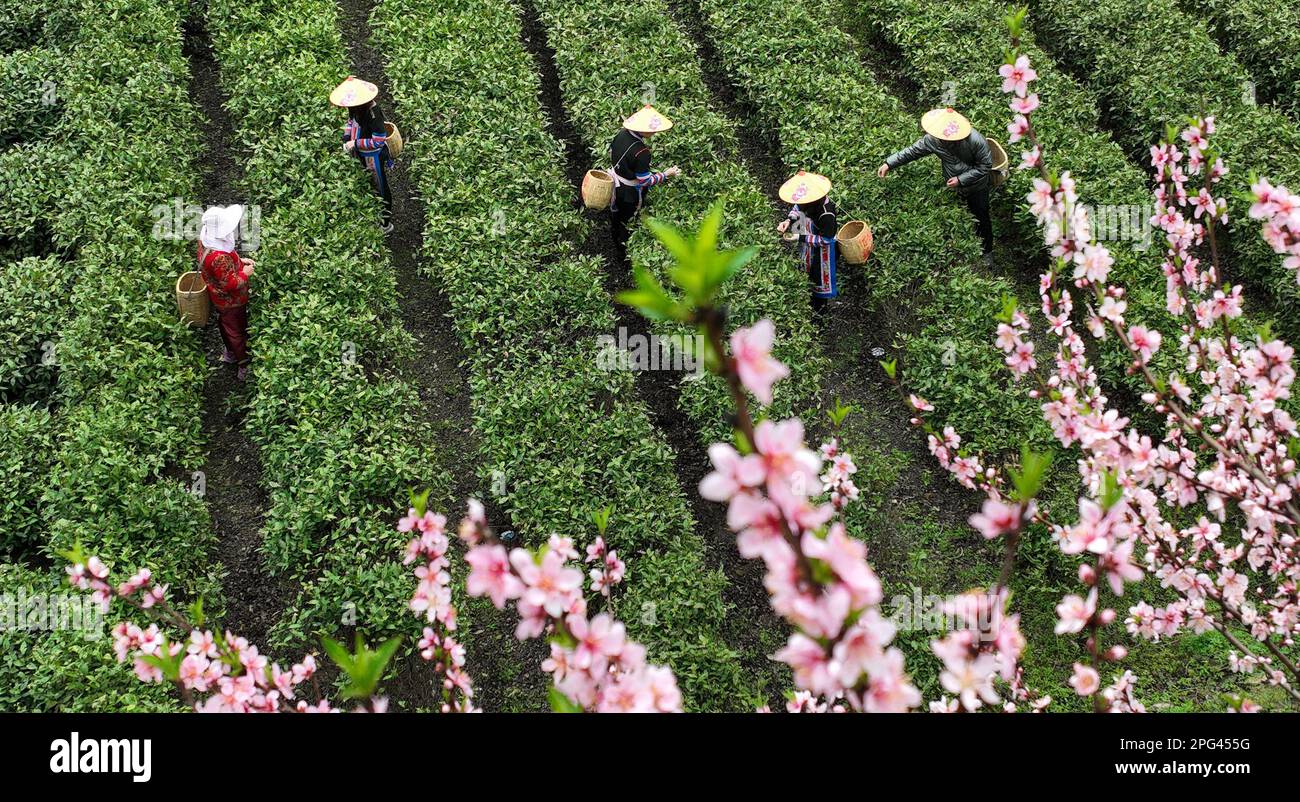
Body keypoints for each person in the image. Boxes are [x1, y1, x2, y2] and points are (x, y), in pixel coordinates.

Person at [878, 107, 995, 266]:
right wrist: (888, 163)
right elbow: (912, 151)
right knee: (963, 213)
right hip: (953, 183)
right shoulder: (933, 140)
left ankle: (987, 251)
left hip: (977, 185)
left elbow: (985, 166)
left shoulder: (975, 140)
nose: (943, 140)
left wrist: (960, 179)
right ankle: (968, 242)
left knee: (981, 216)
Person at [198, 204, 254, 382]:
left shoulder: (207, 239)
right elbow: (230, 283)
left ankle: (230, 352)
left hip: (220, 300)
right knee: (236, 331)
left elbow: (227, 258)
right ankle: (243, 365)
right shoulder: (219, 258)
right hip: (230, 300)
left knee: (226, 324)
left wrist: (239, 261)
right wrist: (244, 274)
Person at [608, 104, 682, 241]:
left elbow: (612, 152)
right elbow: (646, 181)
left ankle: (614, 232)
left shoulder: (621, 134)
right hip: (629, 192)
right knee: (628, 219)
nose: (654, 132)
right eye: (652, 130)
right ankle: (622, 245)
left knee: (616, 213)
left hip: (615, 183)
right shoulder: (642, 152)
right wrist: (666, 174)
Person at [331, 76, 394, 234]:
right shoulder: (356, 108)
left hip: (374, 156)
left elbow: (378, 141)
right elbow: (351, 122)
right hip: (361, 153)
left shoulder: (374, 114)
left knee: (381, 187)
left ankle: (385, 223)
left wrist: (356, 143)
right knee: (368, 184)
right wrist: (346, 137)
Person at [776, 170, 838, 313]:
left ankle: (820, 314)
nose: (799, 204)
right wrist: (788, 220)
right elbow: (797, 208)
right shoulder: (808, 201)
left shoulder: (826, 214)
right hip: (810, 245)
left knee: (818, 282)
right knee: (806, 274)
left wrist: (800, 237)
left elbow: (826, 239)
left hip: (823, 252)